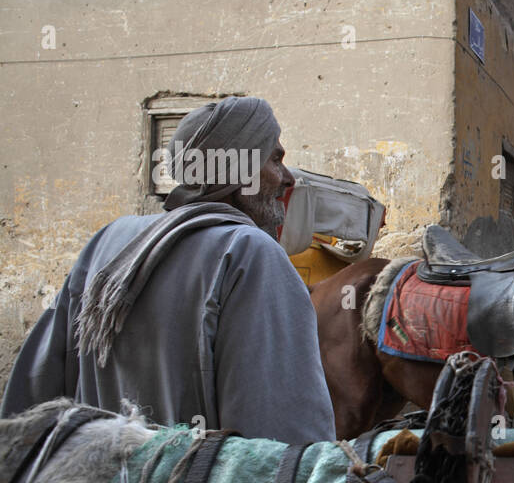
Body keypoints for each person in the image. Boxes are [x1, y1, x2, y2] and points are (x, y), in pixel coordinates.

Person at [0, 96, 336, 444]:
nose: (286, 177)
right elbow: (282, 439)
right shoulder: (249, 253)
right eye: (275, 159)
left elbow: (33, 398)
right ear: (241, 171)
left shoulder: (109, 241)